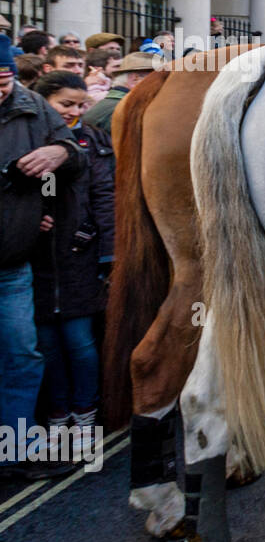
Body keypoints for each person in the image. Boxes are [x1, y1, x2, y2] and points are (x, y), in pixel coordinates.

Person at [0, 61, 85, 479]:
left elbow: (77, 159)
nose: (1, 90)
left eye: (4, 79)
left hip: (13, 267)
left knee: (22, 358)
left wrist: (61, 151)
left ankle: (13, 454)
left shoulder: (32, 105)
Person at [29, 72, 115, 440]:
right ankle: (57, 410)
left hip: (80, 256)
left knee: (80, 342)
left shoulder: (92, 141)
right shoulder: (27, 137)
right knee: (46, 345)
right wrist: (29, 220)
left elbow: (104, 197)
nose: (74, 112)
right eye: (66, 104)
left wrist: (108, 253)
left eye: (81, 105)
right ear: (44, 100)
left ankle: (85, 411)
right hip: (35, 261)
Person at [82, 52, 160, 136]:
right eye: (158, 79)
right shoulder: (127, 108)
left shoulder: (114, 103)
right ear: (136, 78)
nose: (162, 85)